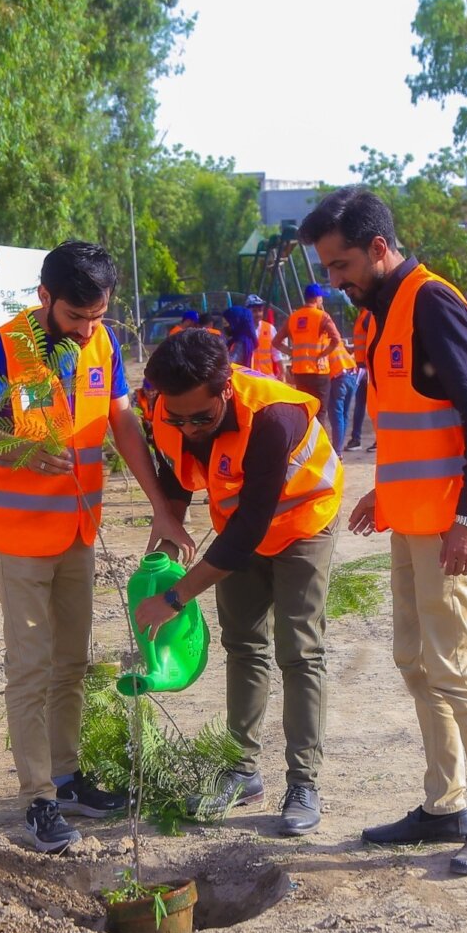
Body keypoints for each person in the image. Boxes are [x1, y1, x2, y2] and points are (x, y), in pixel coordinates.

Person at [299, 186, 467, 876]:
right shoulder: (377, 315)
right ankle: (445, 804)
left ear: (377, 248)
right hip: (413, 518)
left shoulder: (431, 302)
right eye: (326, 270)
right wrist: (386, 493)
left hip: (453, 523)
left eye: (340, 266)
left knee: (454, 666)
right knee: (415, 661)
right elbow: (412, 421)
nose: (333, 283)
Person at [0, 240, 194, 853]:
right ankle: (37, 798)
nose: (88, 328)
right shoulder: (1, 347)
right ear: (45, 297)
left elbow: (123, 423)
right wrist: (26, 452)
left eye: (98, 316)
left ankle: (66, 779)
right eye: (76, 317)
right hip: (18, 538)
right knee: (32, 666)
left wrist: (163, 507)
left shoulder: (102, 343)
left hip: (77, 532)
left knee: (73, 661)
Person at [135, 329, 343, 837]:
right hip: (238, 530)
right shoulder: (166, 410)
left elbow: (251, 530)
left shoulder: (273, 418)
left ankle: (303, 782)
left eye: (201, 418)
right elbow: (175, 473)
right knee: (244, 644)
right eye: (176, 417)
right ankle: (242, 770)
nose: (189, 428)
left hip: (301, 523)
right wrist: (166, 530)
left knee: (299, 649)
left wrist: (175, 597)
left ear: (226, 389)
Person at [273, 282, 341, 429]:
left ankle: (306, 445)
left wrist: (292, 353)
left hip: (300, 372)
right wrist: (323, 354)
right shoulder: (322, 317)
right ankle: (319, 447)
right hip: (319, 372)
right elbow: (336, 339)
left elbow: (276, 342)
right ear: (317, 299)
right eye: (321, 297)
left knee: (305, 411)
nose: (322, 300)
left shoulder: (293, 317)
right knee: (320, 413)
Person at [345, 308, 374, 451]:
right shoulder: (362, 316)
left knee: (371, 405)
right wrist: (352, 348)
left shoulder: (367, 316)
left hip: (367, 367)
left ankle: (358, 439)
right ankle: (356, 439)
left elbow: (373, 339)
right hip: (363, 367)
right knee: (361, 404)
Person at [327, 339, 358, 456]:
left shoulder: (321, 342)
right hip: (352, 375)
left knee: (336, 416)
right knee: (344, 414)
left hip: (338, 378)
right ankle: (338, 448)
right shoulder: (334, 340)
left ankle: (337, 452)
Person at [246, 293, 283, 379]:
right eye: (254, 311)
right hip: (250, 376)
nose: (258, 314)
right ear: (248, 312)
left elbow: (276, 352)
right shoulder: (243, 330)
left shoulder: (270, 328)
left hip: (267, 376)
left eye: (260, 310)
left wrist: (282, 371)